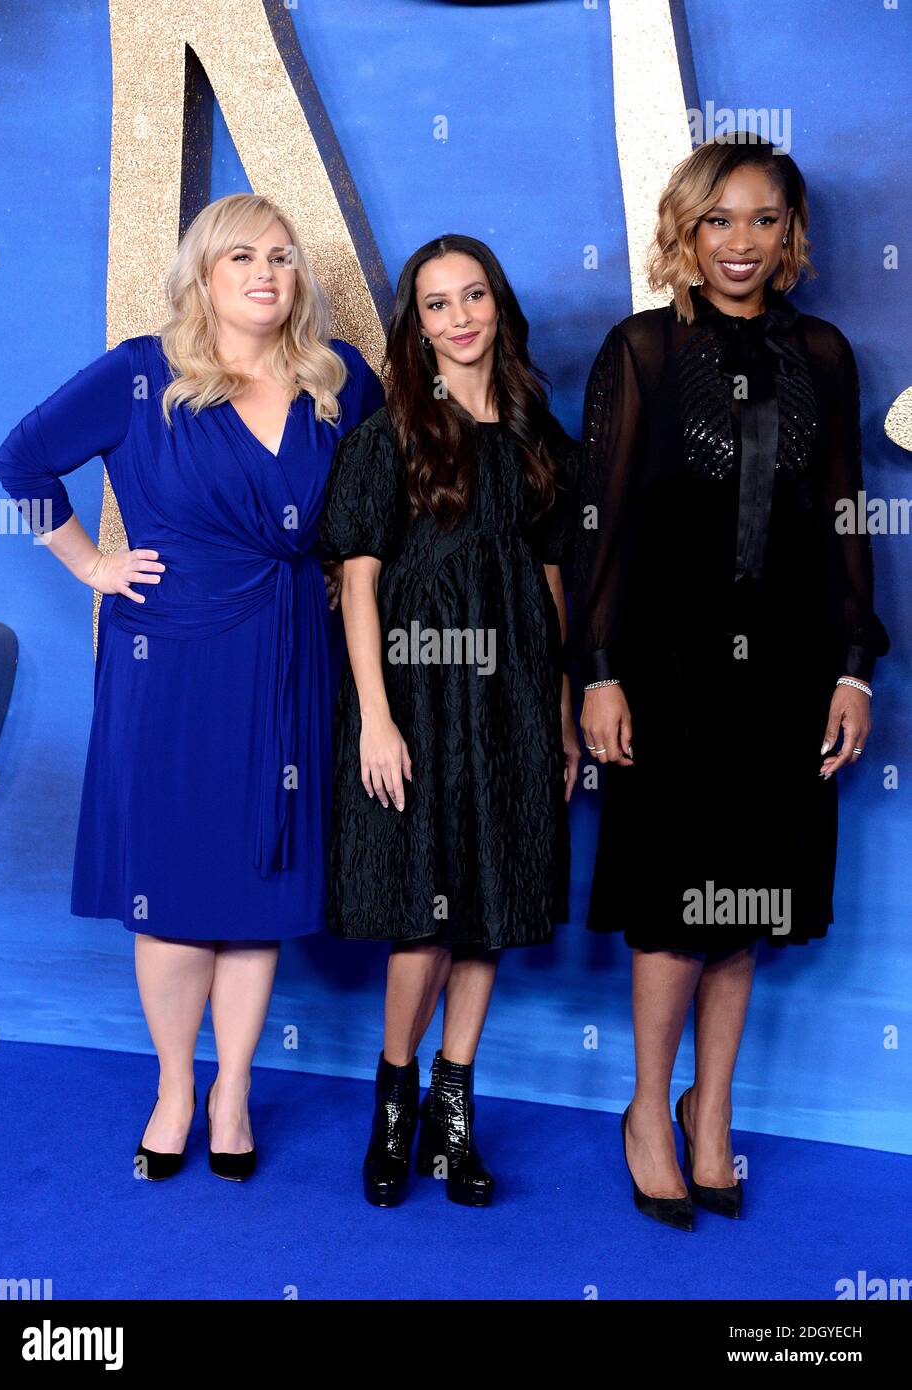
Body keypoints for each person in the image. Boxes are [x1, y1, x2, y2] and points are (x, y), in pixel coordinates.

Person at [0, 193, 383, 1182]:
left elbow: (377, 510)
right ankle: (174, 1085)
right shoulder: (140, 373)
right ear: (203, 273)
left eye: (283, 257)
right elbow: (21, 459)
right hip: (164, 658)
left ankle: (234, 1088)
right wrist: (90, 566)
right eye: (241, 254)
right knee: (168, 888)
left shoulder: (340, 380)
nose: (265, 272)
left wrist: (344, 571)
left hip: (289, 650)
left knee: (255, 879)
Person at [573, 135, 889, 1230]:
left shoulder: (825, 351)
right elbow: (600, 531)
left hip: (789, 670)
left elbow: (847, 517)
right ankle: (648, 1115)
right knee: (671, 907)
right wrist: (597, 672)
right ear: (685, 232)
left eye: (762, 220)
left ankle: (714, 1117)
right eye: (719, 221)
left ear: (789, 235)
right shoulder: (641, 351)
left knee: (746, 903)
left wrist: (854, 670)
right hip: (666, 667)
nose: (741, 243)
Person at [318, 235, 580, 1208]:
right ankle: (394, 1102)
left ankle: (451, 1116)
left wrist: (555, 711)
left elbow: (552, 582)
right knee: (424, 911)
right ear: (415, 327)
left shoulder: (534, 436)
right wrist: (375, 721)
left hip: (510, 698)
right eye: (436, 304)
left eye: (473, 296)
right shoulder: (389, 434)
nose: (459, 316)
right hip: (417, 701)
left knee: (491, 907)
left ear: (497, 307)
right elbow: (356, 578)